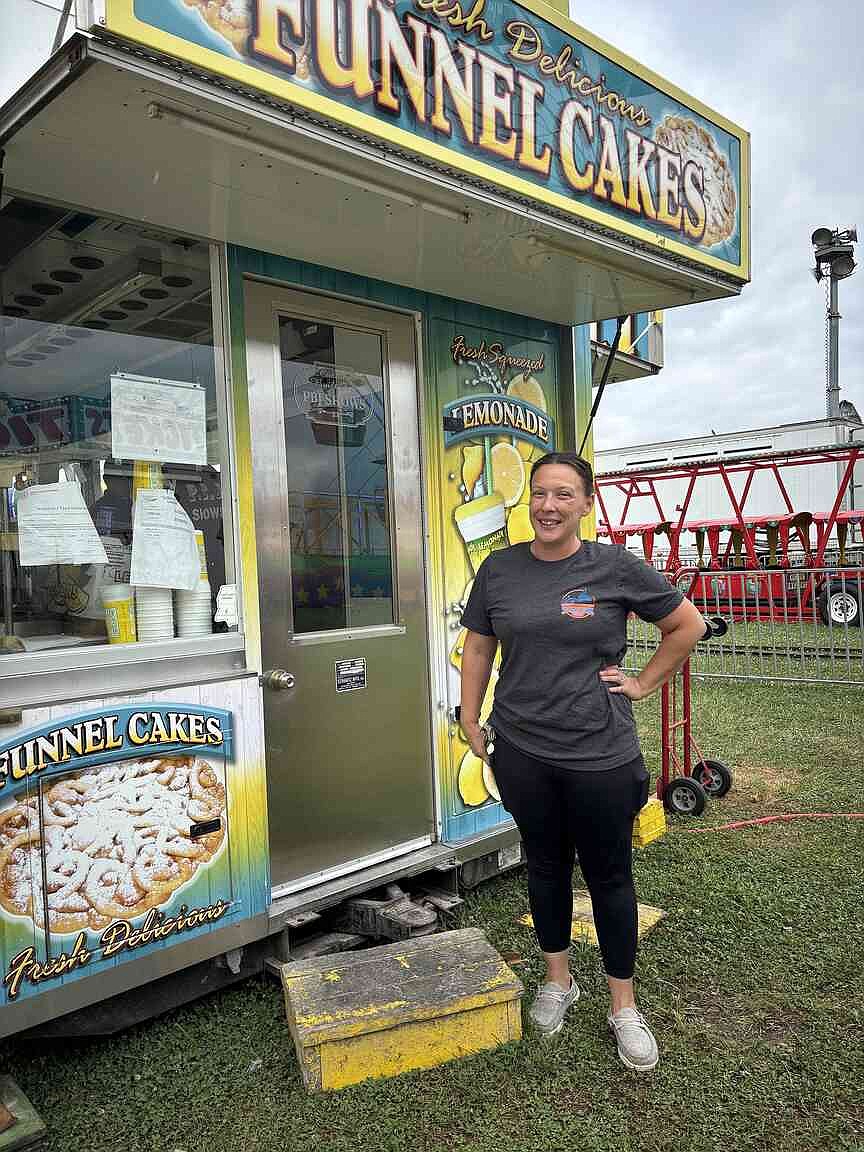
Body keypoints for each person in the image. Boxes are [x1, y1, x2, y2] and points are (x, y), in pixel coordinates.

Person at [459, 451, 706, 1070]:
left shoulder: (614, 566)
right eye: (540, 493)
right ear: (528, 500)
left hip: (600, 751)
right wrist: (469, 714)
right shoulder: (500, 570)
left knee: (609, 875)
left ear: (586, 504)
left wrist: (644, 684)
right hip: (521, 747)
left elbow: (686, 625)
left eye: (563, 495)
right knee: (544, 866)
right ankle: (558, 980)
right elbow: (480, 645)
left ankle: (623, 1006)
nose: (548, 505)